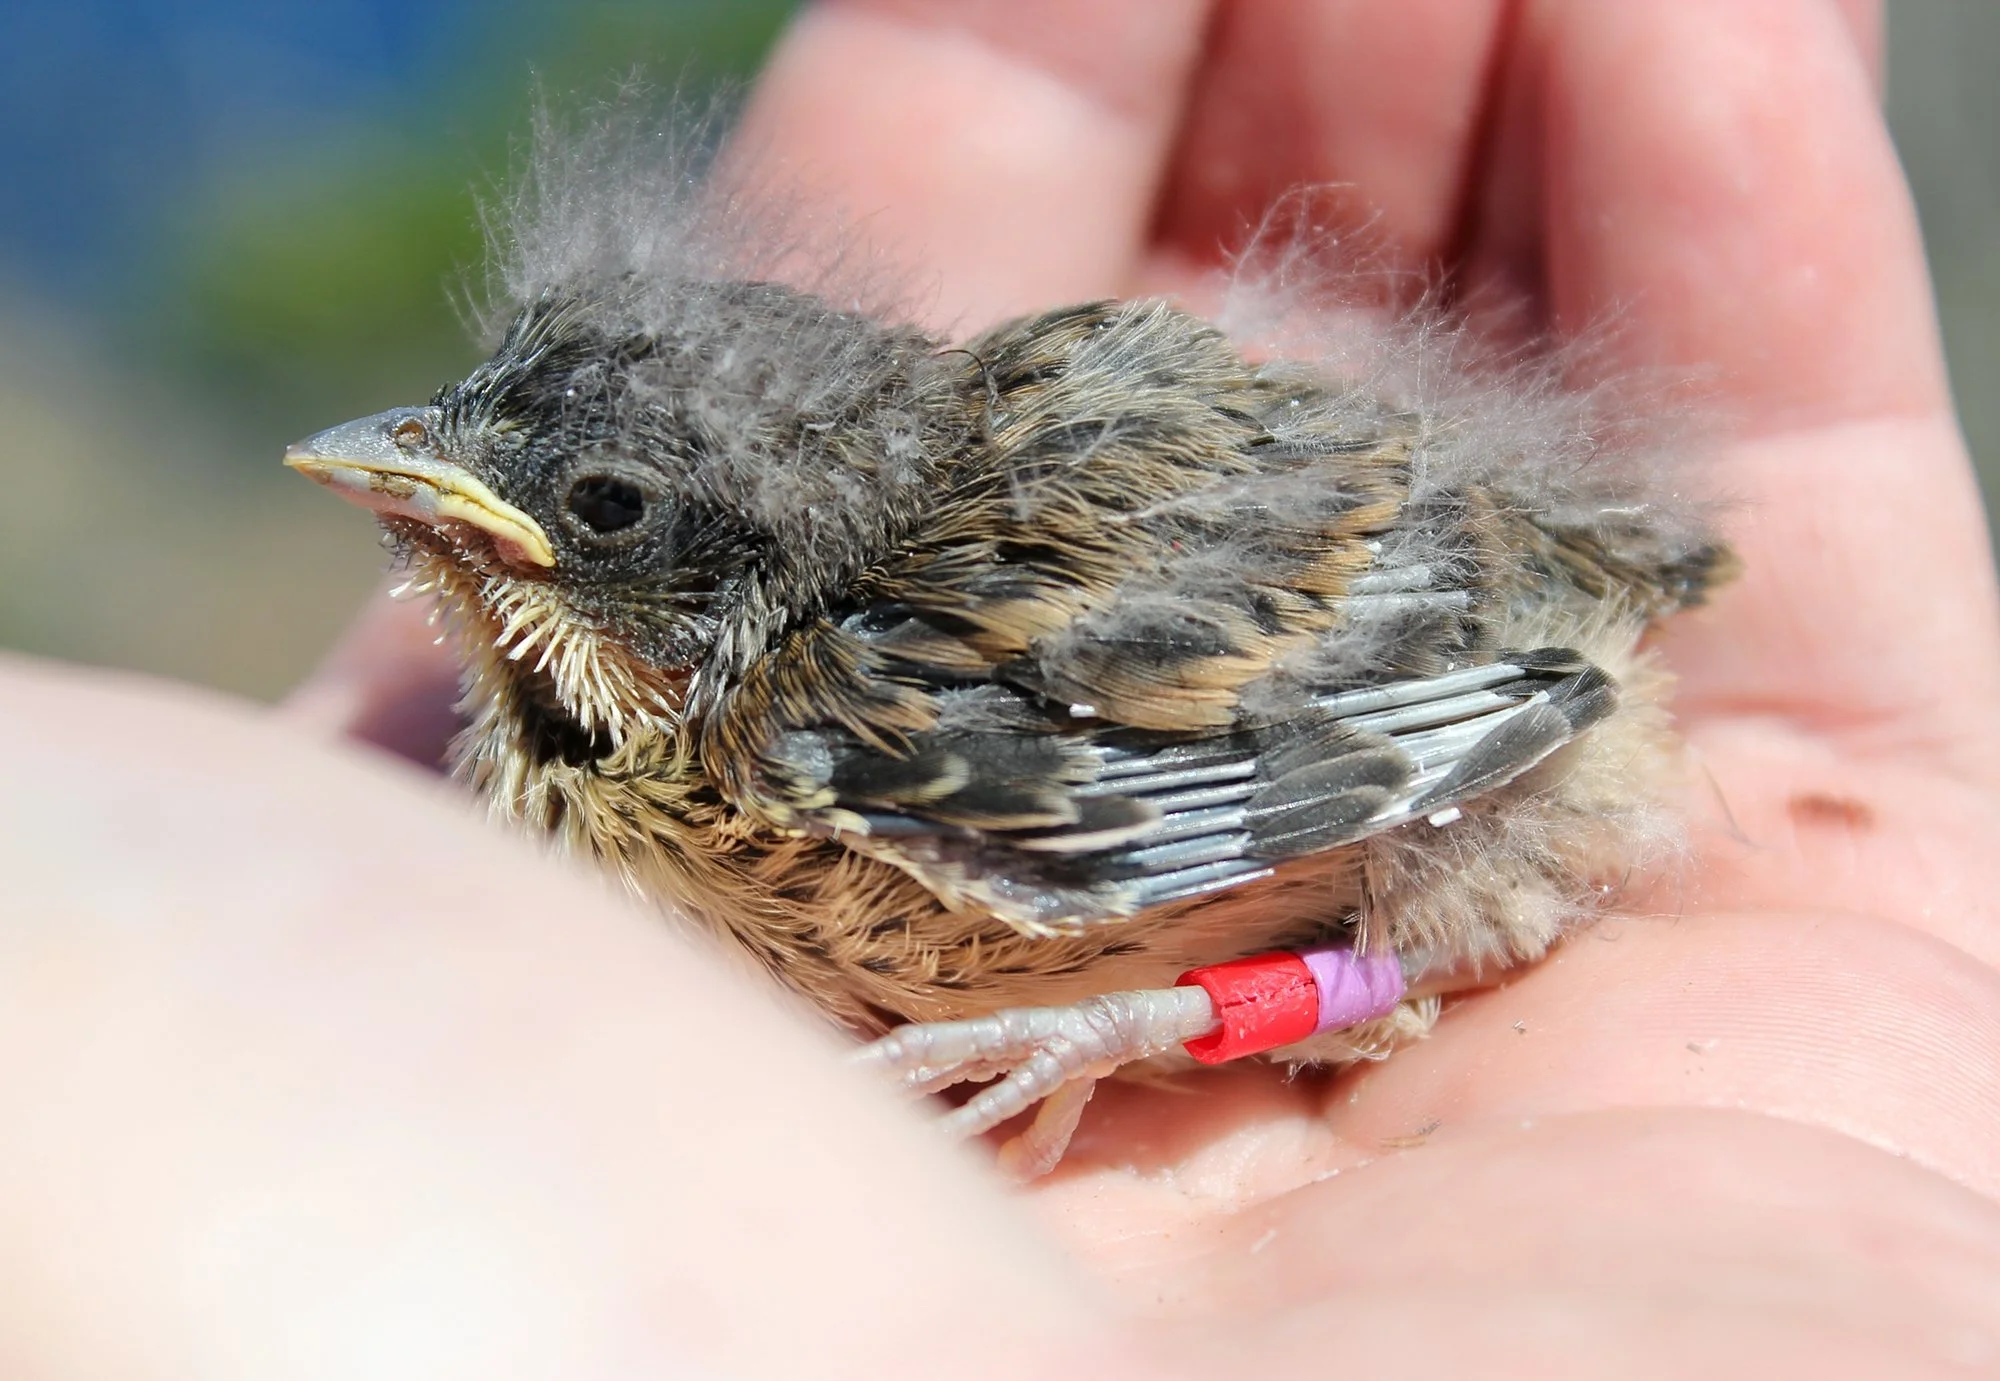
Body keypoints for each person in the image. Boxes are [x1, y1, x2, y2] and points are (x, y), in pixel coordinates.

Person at [7, 1, 1998, 1374]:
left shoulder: (856, 730)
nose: (425, 484)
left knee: (1415, 929)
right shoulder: (641, 736)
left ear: (728, 579)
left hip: (1476, 752)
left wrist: (1140, 1015)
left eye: (595, 508)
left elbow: (1485, 772)